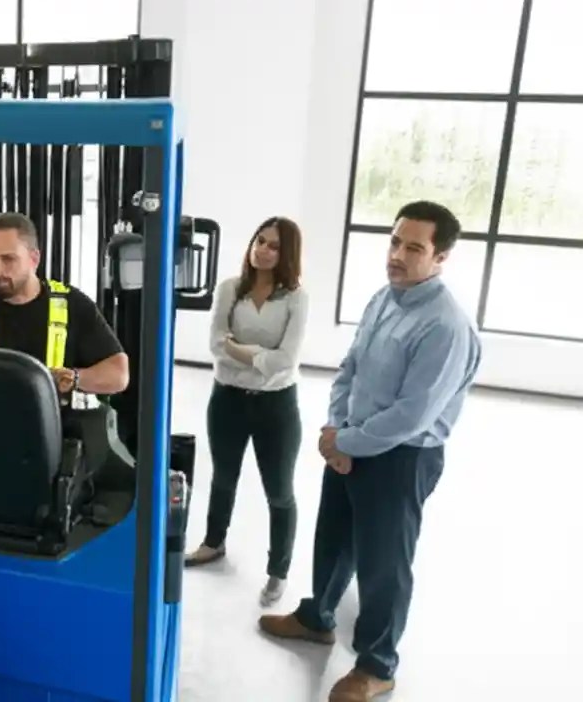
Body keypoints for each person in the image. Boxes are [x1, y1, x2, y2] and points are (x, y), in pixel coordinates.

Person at [259, 201, 482, 702]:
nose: (397, 255)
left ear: (441, 257)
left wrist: (346, 442)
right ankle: (318, 617)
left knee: (384, 564)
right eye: (395, 241)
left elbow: (413, 414)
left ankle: (378, 665)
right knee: (335, 539)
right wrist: (336, 430)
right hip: (350, 442)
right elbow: (350, 367)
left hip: (402, 460)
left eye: (414, 247)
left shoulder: (446, 326)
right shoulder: (385, 297)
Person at [185, 216, 308, 607]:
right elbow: (216, 347)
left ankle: (278, 571)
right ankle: (213, 542)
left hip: (277, 407)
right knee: (223, 477)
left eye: (274, 246)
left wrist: (242, 352)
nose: (264, 250)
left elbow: (287, 361)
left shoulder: (296, 298)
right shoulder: (229, 290)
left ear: (286, 254)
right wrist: (257, 357)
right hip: (228, 399)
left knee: (280, 491)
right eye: (260, 241)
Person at [0, 211, 129, 397]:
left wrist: (74, 378)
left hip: (53, 437)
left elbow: (119, 374)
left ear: (34, 259)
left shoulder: (71, 306)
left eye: (8, 259)